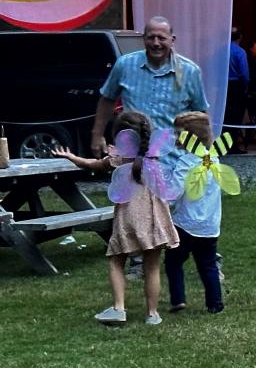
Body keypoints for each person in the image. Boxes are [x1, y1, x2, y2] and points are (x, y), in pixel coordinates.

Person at [90, 15, 206, 280]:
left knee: (184, 210)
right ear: (143, 39)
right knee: (136, 209)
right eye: (150, 37)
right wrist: (97, 135)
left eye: (161, 38)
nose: (156, 43)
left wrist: (203, 151)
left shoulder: (189, 72)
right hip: (136, 156)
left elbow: (200, 114)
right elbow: (107, 99)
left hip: (174, 154)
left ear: (172, 40)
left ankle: (207, 256)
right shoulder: (125, 65)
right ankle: (139, 260)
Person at [55, 111, 179, 325]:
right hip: (154, 218)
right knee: (152, 267)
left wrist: (71, 157)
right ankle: (152, 314)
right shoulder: (155, 158)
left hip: (128, 218)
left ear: (121, 136)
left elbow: (90, 164)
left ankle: (119, 308)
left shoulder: (118, 160)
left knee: (116, 260)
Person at [166, 111, 230, 314]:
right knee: (208, 265)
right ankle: (215, 303)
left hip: (185, 223)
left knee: (173, 260)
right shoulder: (214, 159)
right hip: (209, 224)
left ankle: (178, 298)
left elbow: (175, 191)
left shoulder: (186, 162)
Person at [224, 27, 250, 154]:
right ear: (240, 37)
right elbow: (244, 73)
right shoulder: (240, 52)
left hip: (223, 85)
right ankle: (232, 144)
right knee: (236, 116)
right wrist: (246, 85)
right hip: (236, 85)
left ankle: (223, 144)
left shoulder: (222, 51)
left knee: (226, 115)